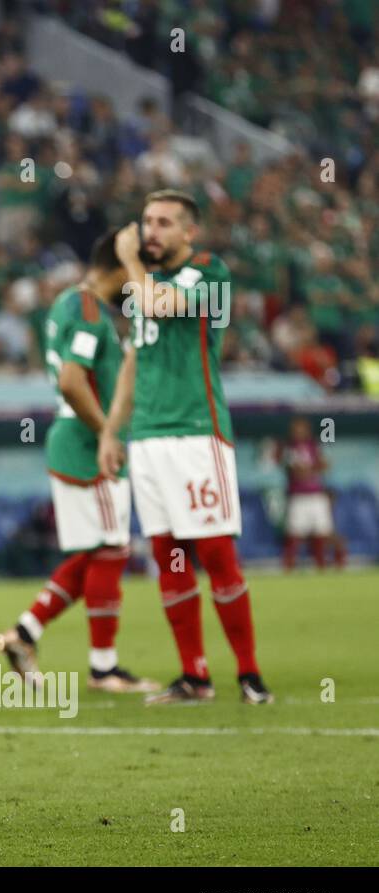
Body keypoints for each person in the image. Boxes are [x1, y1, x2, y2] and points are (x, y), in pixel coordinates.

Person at [99, 191, 272, 705]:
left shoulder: (206, 272)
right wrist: (112, 430)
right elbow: (134, 359)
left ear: (188, 233)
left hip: (198, 433)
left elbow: (157, 303)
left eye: (164, 223)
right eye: (147, 220)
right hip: (148, 439)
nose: (151, 230)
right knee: (168, 557)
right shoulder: (143, 285)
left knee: (217, 553)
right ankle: (195, 676)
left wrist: (129, 260)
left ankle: (249, 674)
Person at [0, 230, 159, 693]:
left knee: (92, 554)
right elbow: (71, 380)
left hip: (72, 439)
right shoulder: (89, 308)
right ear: (121, 268)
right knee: (110, 551)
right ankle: (104, 668)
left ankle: (24, 634)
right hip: (88, 445)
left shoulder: (68, 303)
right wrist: (107, 431)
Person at [277, 416, 340, 570]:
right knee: (294, 535)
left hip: (316, 495)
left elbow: (325, 465)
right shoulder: (288, 447)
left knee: (322, 533)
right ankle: (289, 568)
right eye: (295, 429)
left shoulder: (313, 445)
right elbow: (297, 472)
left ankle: (322, 567)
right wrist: (311, 469)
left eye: (302, 428)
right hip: (298, 497)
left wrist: (312, 468)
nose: (298, 432)